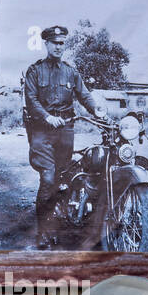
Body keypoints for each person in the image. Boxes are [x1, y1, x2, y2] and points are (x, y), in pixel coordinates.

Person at [22, 25, 103, 249]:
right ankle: (42, 232)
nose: (59, 46)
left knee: (63, 180)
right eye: (54, 42)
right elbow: (31, 100)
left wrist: (97, 110)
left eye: (62, 43)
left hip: (66, 129)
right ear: (46, 44)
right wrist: (47, 117)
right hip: (42, 131)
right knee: (48, 179)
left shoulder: (71, 71)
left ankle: (60, 223)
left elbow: (84, 94)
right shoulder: (35, 71)